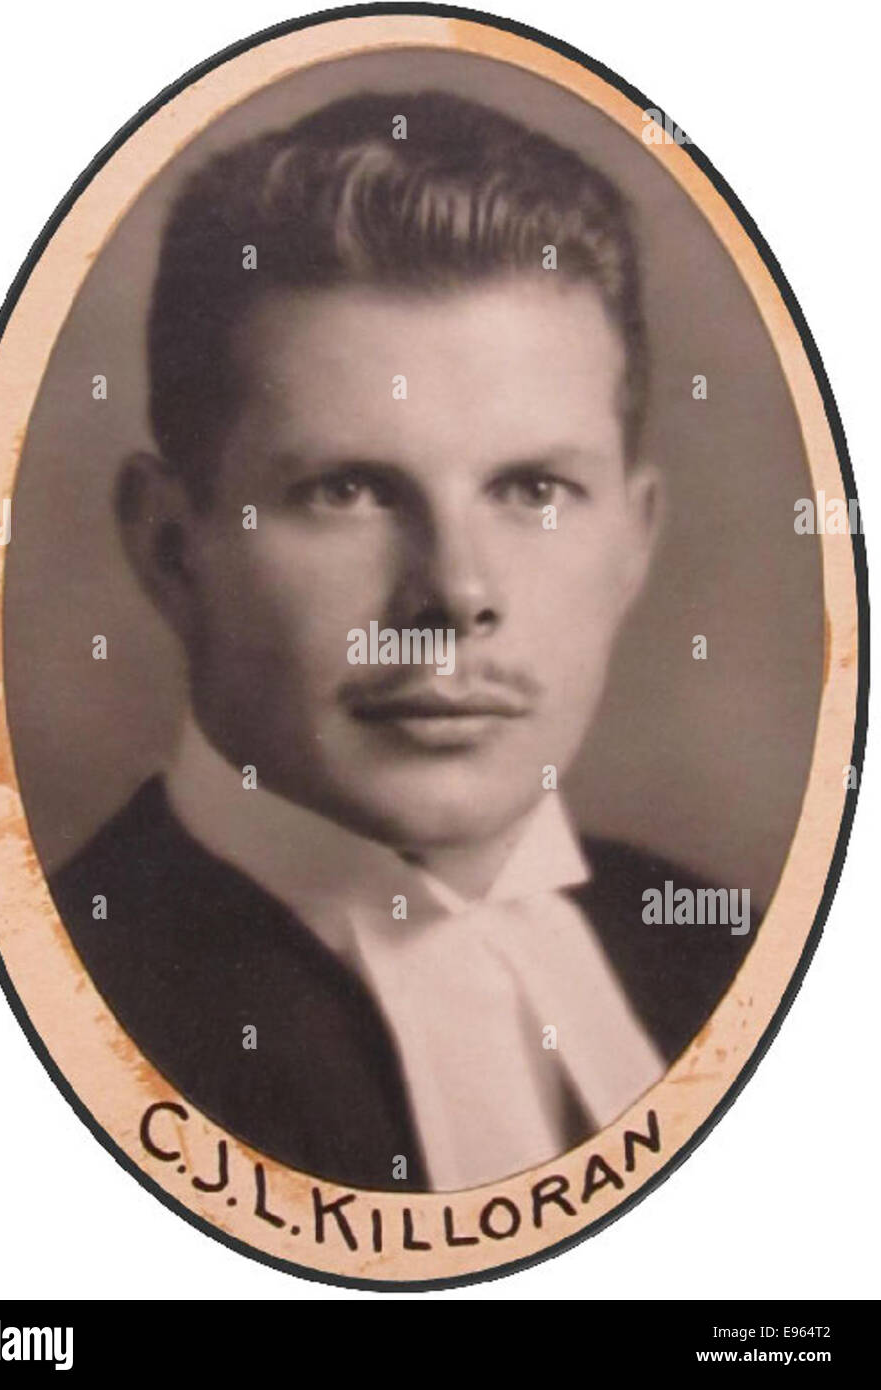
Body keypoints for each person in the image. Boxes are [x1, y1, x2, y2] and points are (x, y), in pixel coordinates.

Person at [52, 91, 754, 1192]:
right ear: (171, 545)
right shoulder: (34, 1021)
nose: (456, 594)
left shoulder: (739, 962)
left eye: (532, 488)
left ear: (633, 537)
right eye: (346, 489)